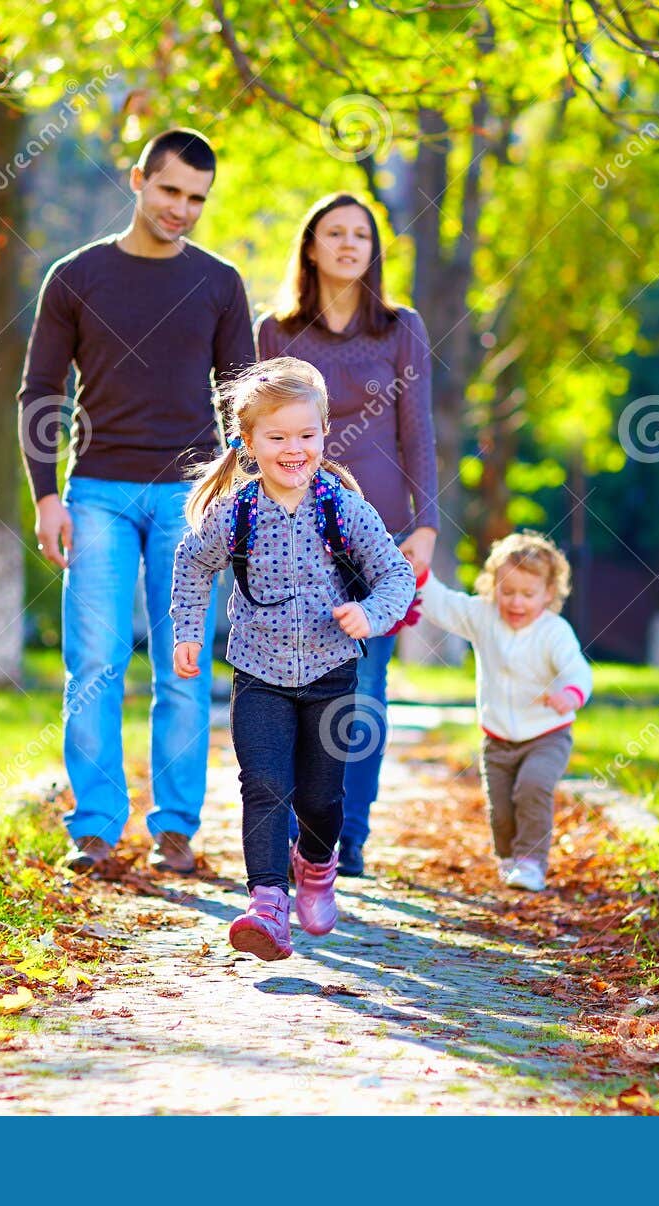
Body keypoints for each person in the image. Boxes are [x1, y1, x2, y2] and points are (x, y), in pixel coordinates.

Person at [18, 129, 255, 876]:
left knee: (182, 666)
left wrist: (235, 499)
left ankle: (176, 827)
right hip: (97, 495)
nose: (182, 209)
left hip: (189, 500)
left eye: (196, 199)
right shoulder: (77, 276)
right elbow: (41, 392)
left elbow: (242, 402)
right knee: (94, 661)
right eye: (170, 191)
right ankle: (94, 828)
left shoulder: (219, 283)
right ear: (138, 180)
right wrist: (46, 496)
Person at [169, 358, 415, 959]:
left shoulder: (343, 508)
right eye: (276, 437)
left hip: (333, 672)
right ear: (248, 442)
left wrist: (371, 615)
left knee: (321, 796)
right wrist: (188, 630)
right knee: (265, 784)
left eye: (306, 435)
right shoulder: (235, 513)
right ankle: (267, 904)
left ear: (324, 433)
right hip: (258, 674)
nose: (293, 448)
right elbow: (191, 565)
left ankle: (317, 864)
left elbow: (396, 576)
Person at [254, 192, 438, 878]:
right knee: (294, 682)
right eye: (334, 232)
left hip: (382, 532)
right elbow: (256, 430)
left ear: (374, 248)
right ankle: (308, 828)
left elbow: (419, 429)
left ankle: (348, 833)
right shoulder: (275, 331)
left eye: (361, 234)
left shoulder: (400, 327)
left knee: (366, 687)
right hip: (292, 529)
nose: (348, 244)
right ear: (310, 246)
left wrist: (426, 525)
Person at [415, 532, 593, 892]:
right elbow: (444, 605)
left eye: (528, 595)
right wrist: (420, 575)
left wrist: (570, 693)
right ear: (492, 585)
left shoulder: (554, 632)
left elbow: (577, 669)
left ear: (548, 594)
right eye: (507, 591)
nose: (516, 603)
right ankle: (509, 858)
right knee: (501, 807)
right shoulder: (483, 617)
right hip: (496, 738)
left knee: (533, 786)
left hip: (547, 734)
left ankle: (531, 862)